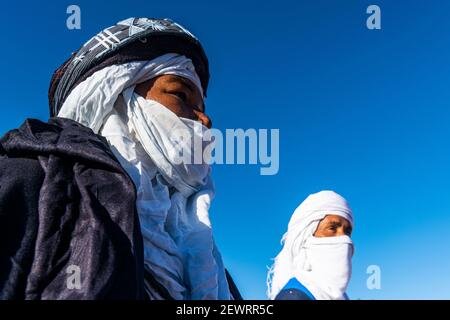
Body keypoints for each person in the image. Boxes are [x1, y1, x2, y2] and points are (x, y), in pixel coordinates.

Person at [0, 17, 241, 300]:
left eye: (202, 108)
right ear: (118, 96)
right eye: (180, 94)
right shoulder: (32, 182)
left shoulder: (209, 265)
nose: (205, 119)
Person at [267, 190, 354, 300]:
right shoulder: (294, 296)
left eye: (347, 232)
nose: (343, 237)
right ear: (307, 235)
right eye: (332, 228)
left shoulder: (340, 296)